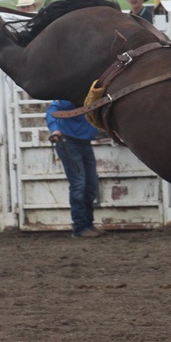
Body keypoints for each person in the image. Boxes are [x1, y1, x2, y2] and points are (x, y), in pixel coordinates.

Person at [46, 99, 103, 238]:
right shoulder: (68, 99)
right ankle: (80, 227)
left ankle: (87, 224)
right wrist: (55, 129)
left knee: (90, 185)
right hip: (68, 142)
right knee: (79, 184)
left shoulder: (87, 99)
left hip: (82, 142)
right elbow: (52, 111)